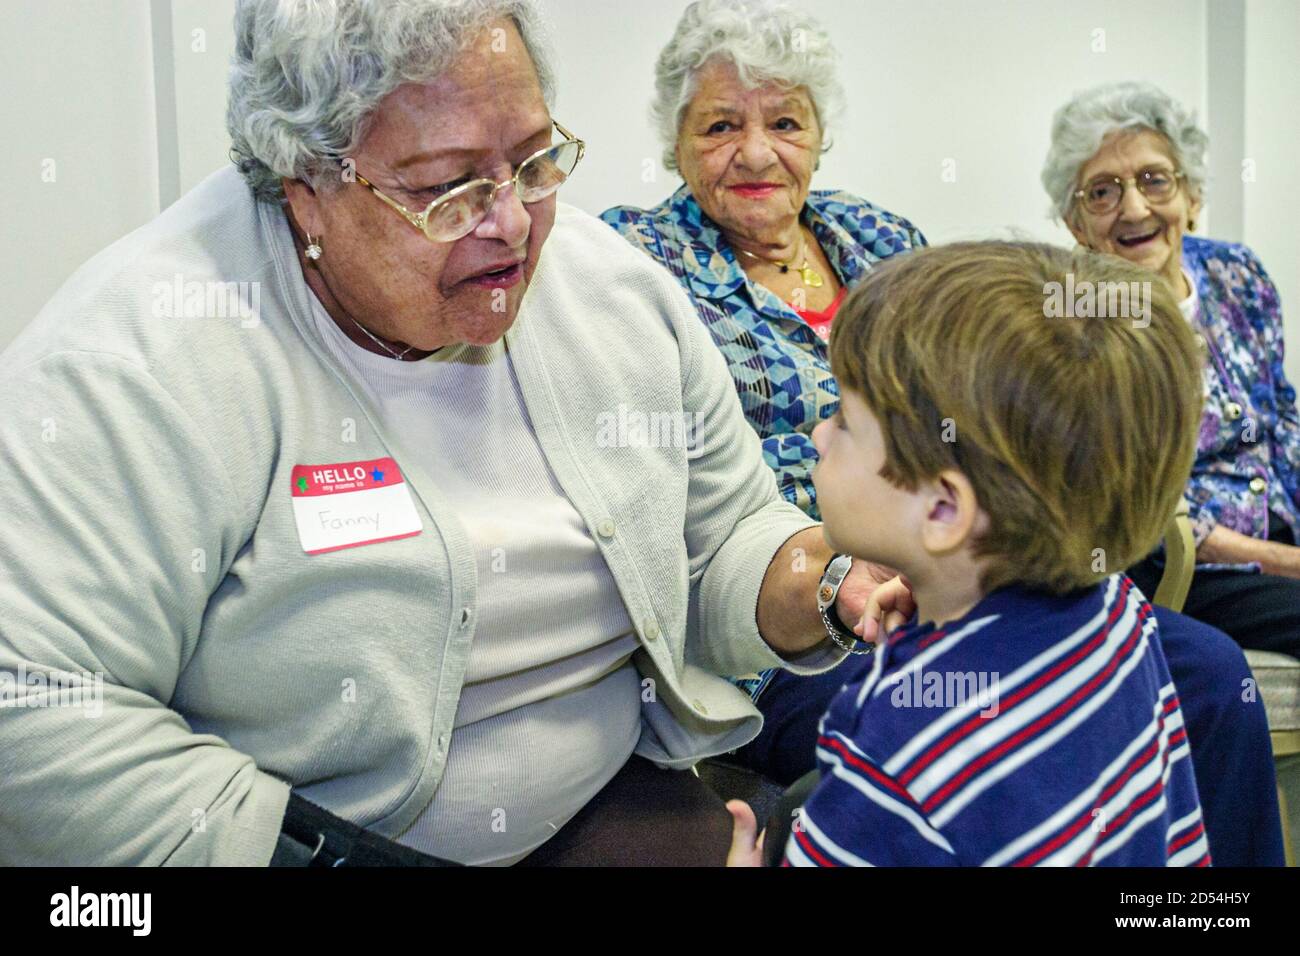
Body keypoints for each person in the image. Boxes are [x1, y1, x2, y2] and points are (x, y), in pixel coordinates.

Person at [0, 0, 909, 867]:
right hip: (307, 839)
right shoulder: (149, 353)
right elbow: (33, 698)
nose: (512, 223)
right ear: (304, 188)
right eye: (446, 188)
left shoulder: (614, 296)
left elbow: (723, 541)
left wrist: (825, 580)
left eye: (533, 161)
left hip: (605, 801)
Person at [604, 1, 1285, 865]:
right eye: (720, 124)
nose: (757, 150)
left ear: (820, 134)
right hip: (787, 623)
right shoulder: (635, 265)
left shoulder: (878, 235)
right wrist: (835, 577)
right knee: (971, 735)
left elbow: (992, 388)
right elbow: (651, 499)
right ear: (675, 140)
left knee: (1213, 676)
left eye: (784, 121)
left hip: (974, 567)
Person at [727, 241, 1210, 866]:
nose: (819, 433)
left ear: (944, 511)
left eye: (844, 419)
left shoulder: (895, 749)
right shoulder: (1120, 611)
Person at [1043, 80, 1300, 658]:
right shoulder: (1077, 319)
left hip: (1280, 533)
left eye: (1154, 180)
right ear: (1075, 223)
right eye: (1102, 192)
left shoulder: (1237, 274)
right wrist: (1288, 563)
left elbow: (1282, 421)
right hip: (1191, 567)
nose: (1135, 208)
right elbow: (1145, 506)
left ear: (1193, 196)